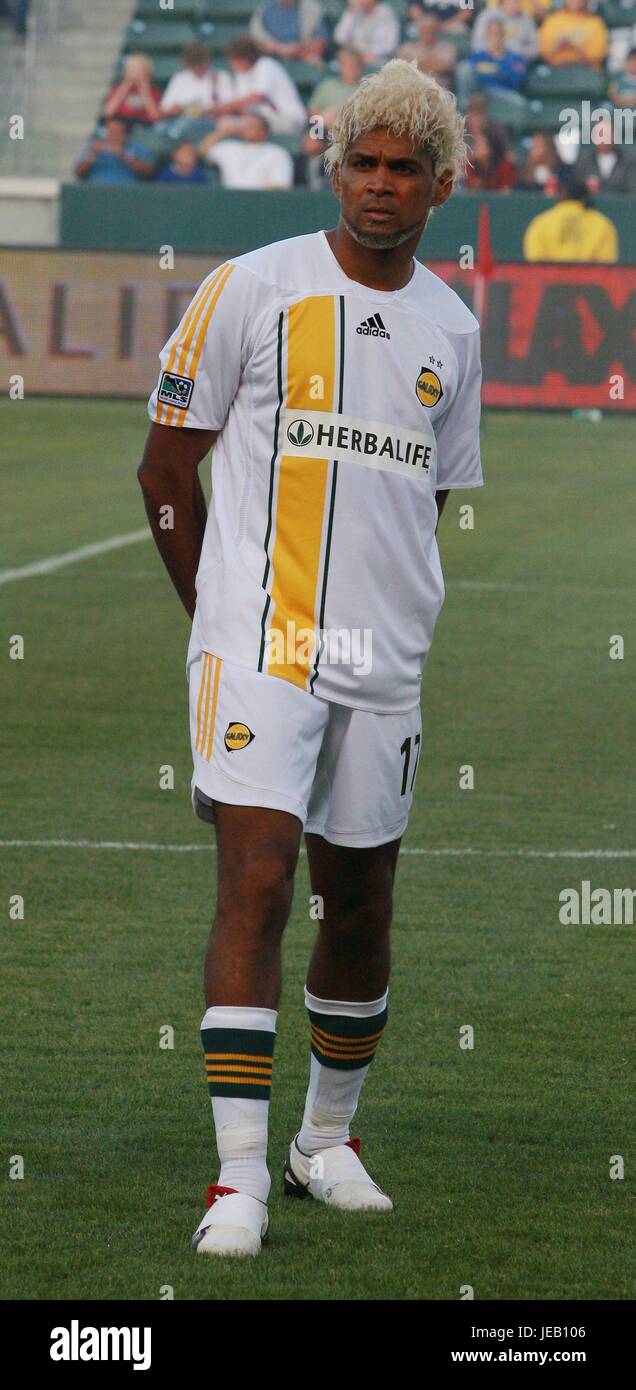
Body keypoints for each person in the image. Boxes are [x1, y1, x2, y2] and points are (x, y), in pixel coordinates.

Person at [138, 58, 482, 1261]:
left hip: (383, 664)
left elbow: (423, 504)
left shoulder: (454, 327)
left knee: (361, 900)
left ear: (440, 185)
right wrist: (220, 615)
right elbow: (166, 468)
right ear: (335, 165)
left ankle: (323, 1142)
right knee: (261, 879)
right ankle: (237, 1176)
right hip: (260, 645)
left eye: (403, 170)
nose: (378, 187)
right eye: (361, 163)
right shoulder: (252, 284)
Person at [213, 35, 307, 136]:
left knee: (243, 125)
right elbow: (242, 107)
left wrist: (225, 106)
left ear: (246, 59)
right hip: (262, 121)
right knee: (226, 124)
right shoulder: (241, 75)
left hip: (289, 118)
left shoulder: (266, 65)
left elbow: (257, 96)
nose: (232, 64)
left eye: (234, 60)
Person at [523, 172, 619, 260]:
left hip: (550, 278)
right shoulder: (603, 224)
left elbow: (534, 264)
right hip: (589, 278)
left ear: (559, 196)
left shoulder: (541, 223)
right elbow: (607, 266)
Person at [302, 47, 364, 181]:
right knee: (312, 142)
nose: (350, 69)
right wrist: (326, 119)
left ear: (360, 67)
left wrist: (340, 119)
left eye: (354, 65)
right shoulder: (328, 85)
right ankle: (314, 180)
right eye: (346, 65)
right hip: (323, 124)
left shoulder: (365, 88)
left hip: (351, 129)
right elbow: (312, 111)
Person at [199, 113, 294, 188]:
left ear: (264, 130)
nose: (246, 127)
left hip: (261, 202)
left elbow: (280, 186)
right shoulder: (230, 147)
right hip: (229, 200)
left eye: (251, 125)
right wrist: (223, 131)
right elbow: (203, 151)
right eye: (245, 124)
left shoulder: (277, 153)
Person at [159, 41, 232, 118]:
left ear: (206, 61)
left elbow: (229, 106)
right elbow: (165, 108)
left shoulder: (221, 76)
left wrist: (208, 109)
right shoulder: (179, 78)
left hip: (210, 120)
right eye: (193, 66)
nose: (197, 69)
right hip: (182, 119)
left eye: (200, 65)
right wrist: (175, 109)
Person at [74, 117, 154, 183]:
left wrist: (123, 155)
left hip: (126, 193)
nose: (111, 136)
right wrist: (93, 155)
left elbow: (148, 172)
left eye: (116, 133)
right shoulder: (95, 147)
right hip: (96, 191)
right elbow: (78, 173)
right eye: (109, 132)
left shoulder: (136, 148)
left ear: (125, 135)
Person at [250, 0, 329, 64]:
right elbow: (257, 41)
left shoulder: (312, 7)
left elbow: (320, 43)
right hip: (272, 59)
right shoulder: (265, 9)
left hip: (303, 56)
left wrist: (297, 49)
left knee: (316, 62)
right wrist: (279, 49)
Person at [575, 115, 636, 194]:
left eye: (609, 133)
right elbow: (575, 188)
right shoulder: (583, 162)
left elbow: (632, 191)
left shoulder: (630, 161)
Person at [538, 0, 608, 69]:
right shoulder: (552, 20)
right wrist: (558, 45)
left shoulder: (595, 23)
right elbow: (543, 52)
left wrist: (573, 46)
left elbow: (598, 55)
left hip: (586, 71)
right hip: (556, 71)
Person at [398, 11, 458, 88]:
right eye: (425, 28)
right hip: (411, 87)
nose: (429, 31)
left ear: (438, 30)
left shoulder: (448, 47)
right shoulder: (408, 47)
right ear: (419, 30)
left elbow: (445, 67)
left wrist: (414, 64)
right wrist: (431, 63)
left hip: (437, 89)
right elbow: (400, 66)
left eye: (432, 28)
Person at [468, 19, 529, 92]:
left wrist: (498, 59)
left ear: (503, 35)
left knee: (519, 102)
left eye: (496, 33)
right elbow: (469, 77)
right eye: (490, 33)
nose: (493, 37)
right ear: (486, 35)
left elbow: (516, 81)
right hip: (481, 93)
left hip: (504, 93)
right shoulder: (476, 56)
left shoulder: (515, 58)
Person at [334, 0, 401, 65]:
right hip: (356, 56)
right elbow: (339, 37)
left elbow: (391, 45)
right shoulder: (354, 12)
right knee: (344, 57)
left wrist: (371, 53)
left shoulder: (386, 13)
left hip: (379, 58)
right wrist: (350, 13)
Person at [103, 53, 162, 126]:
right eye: (132, 70)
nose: (135, 73)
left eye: (139, 70)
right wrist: (125, 87)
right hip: (121, 125)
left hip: (144, 126)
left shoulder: (154, 90)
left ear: (147, 72)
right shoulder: (118, 89)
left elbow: (155, 116)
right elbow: (108, 113)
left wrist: (145, 92)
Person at [471, 0, 539, 62]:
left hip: (516, 62)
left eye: (518, 2)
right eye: (512, 2)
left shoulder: (526, 20)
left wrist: (517, 53)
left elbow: (535, 49)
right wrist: (496, 52)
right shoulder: (487, 16)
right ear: (502, 2)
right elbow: (477, 45)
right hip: (489, 59)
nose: (516, 4)